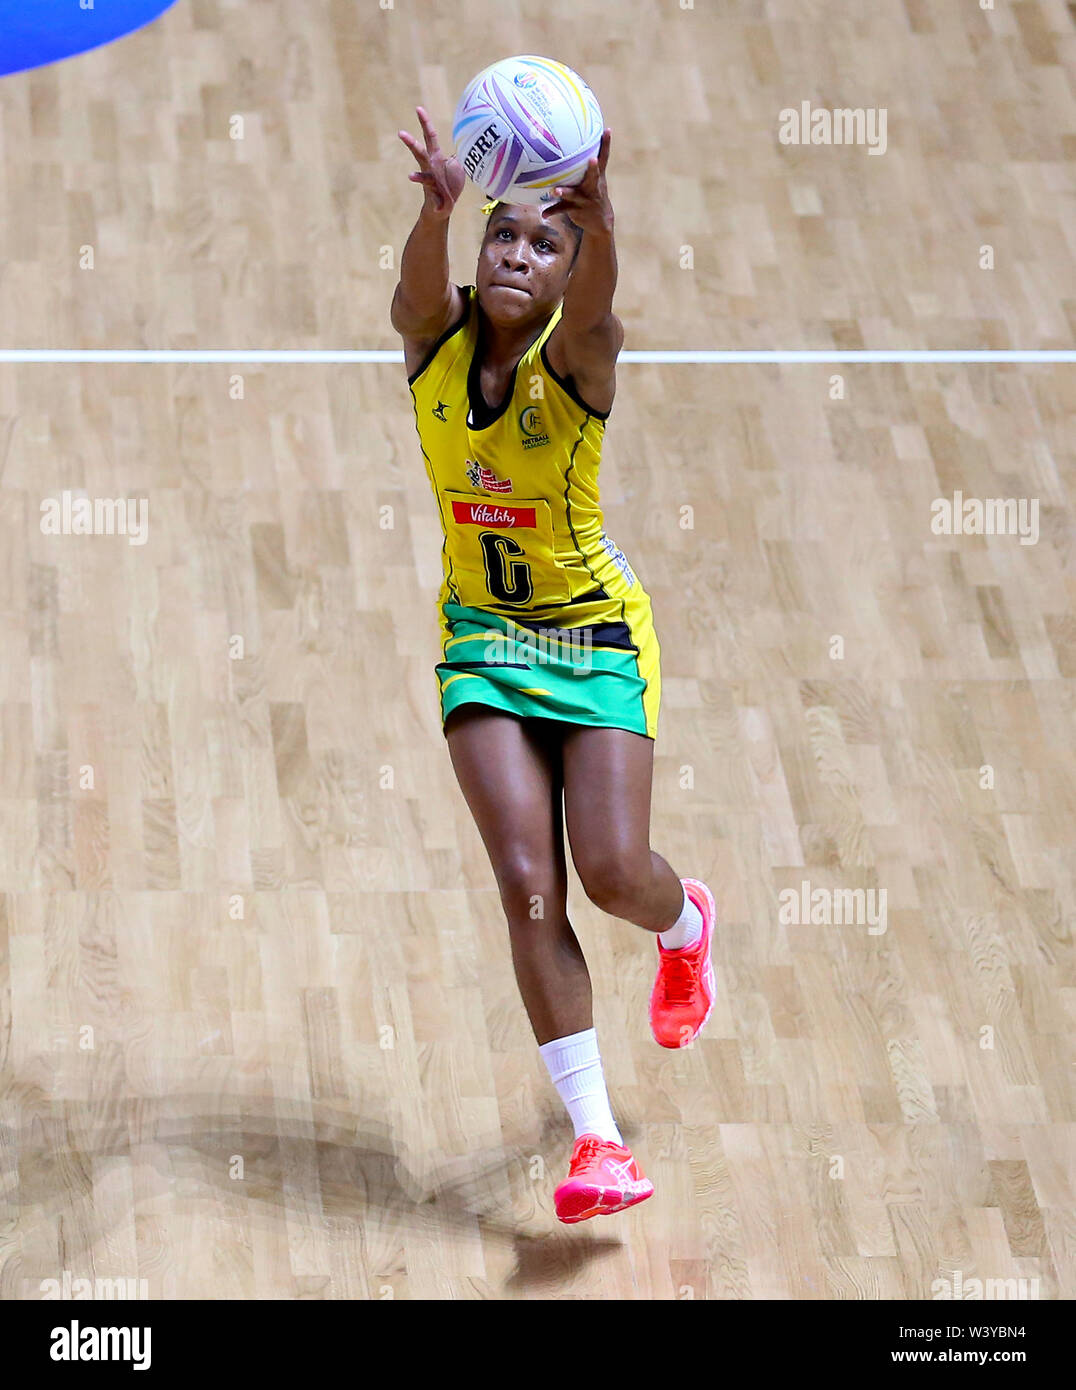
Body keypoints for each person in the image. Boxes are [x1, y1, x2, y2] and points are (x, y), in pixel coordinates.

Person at [391, 106, 716, 1223]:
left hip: (595, 640)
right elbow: (412, 294)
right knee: (530, 888)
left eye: (546, 243)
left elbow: (601, 308)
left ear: (569, 266)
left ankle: (684, 930)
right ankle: (598, 1144)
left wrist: (605, 226)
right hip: (481, 644)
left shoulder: (577, 359)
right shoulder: (432, 343)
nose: (518, 255)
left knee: (612, 872)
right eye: (503, 237)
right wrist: (434, 209)